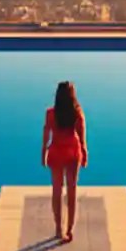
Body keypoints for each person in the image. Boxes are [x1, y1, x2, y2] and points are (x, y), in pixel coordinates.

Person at [41, 81, 88, 242]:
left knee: (56, 191)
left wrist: (44, 151)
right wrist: (84, 152)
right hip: (72, 153)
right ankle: (69, 229)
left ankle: (58, 229)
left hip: (56, 152)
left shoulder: (50, 114)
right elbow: (81, 136)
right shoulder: (77, 114)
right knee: (72, 191)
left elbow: (46, 133)